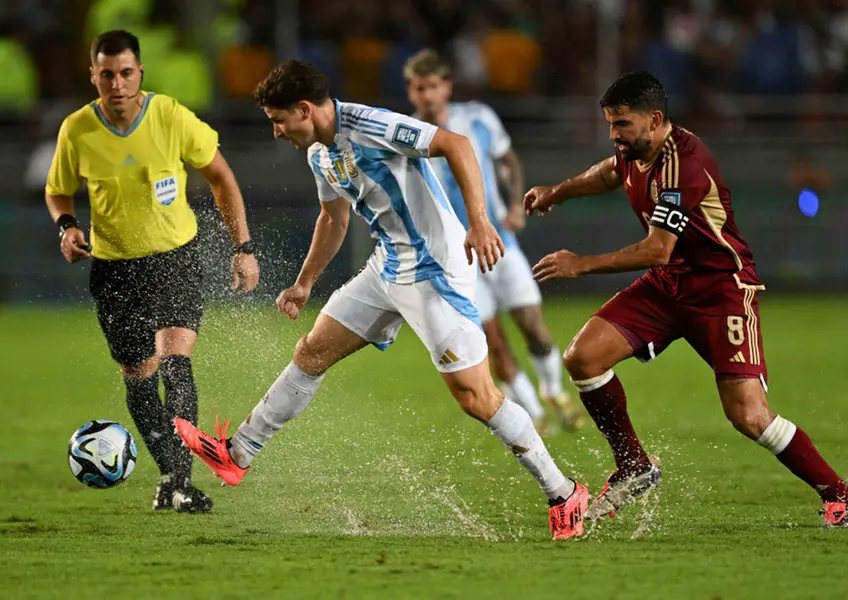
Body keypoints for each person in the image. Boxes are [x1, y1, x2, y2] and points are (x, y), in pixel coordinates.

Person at [173, 60, 589, 539]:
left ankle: (563, 492)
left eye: (278, 120)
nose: (276, 132)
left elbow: (456, 144)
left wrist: (479, 221)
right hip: (387, 266)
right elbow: (333, 219)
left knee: (476, 397)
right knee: (311, 352)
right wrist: (305, 282)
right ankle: (238, 453)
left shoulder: (370, 125)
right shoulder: (319, 154)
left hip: (435, 271)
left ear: (304, 109)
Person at [524, 71, 848, 528]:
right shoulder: (635, 150)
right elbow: (609, 172)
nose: (614, 136)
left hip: (720, 290)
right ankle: (633, 465)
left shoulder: (683, 165)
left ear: (655, 120)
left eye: (622, 124)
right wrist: (558, 192)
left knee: (748, 415)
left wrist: (581, 264)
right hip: (668, 284)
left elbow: (657, 249)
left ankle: (845, 499)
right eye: (610, 124)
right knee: (583, 357)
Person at [45, 30, 260, 513]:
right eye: (107, 75)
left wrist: (242, 246)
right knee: (139, 376)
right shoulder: (77, 130)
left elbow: (221, 175)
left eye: (126, 73)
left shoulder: (170, 116)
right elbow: (57, 189)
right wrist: (67, 226)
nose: (117, 84)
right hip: (114, 269)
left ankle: (182, 483)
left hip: (173, 258)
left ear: (140, 72)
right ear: (93, 76)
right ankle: (170, 477)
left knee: (176, 360)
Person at [403, 49, 583, 433]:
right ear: (411, 92)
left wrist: (516, 205)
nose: (427, 95)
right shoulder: (406, 136)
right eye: (419, 88)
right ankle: (534, 415)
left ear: (446, 86)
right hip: (456, 256)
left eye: (432, 86)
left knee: (532, 325)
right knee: (493, 342)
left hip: (501, 242)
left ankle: (553, 391)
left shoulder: (478, 117)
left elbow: (508, 160)